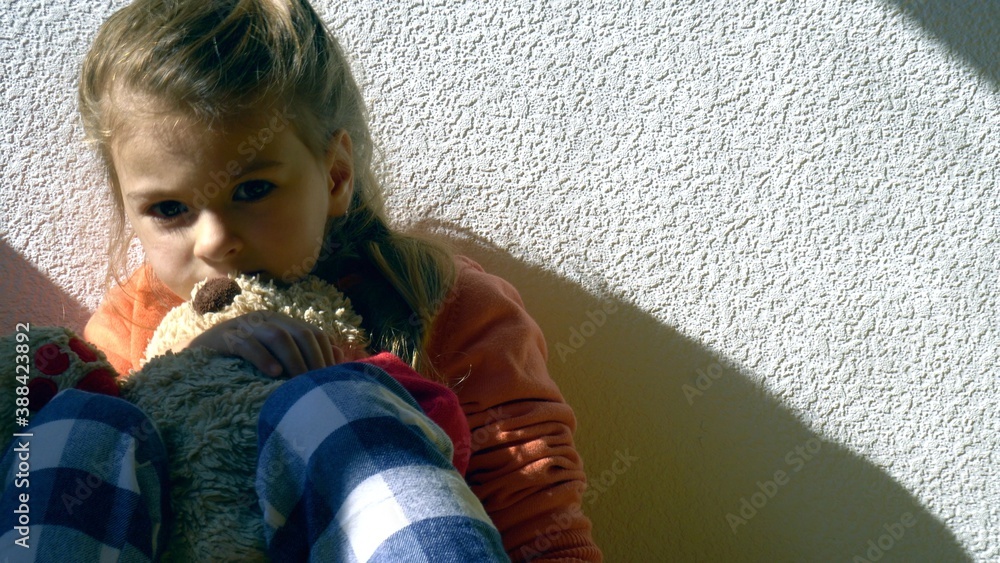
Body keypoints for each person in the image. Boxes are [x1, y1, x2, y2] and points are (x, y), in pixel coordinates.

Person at [15, 0, 600, 560]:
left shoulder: (444, 303)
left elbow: (537, 526)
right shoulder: (129, 327)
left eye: (252, 190)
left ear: (337, 174)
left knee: (335, 406)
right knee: (77, 426)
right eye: (169, 209)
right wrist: (180, 368)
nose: (214, 241)